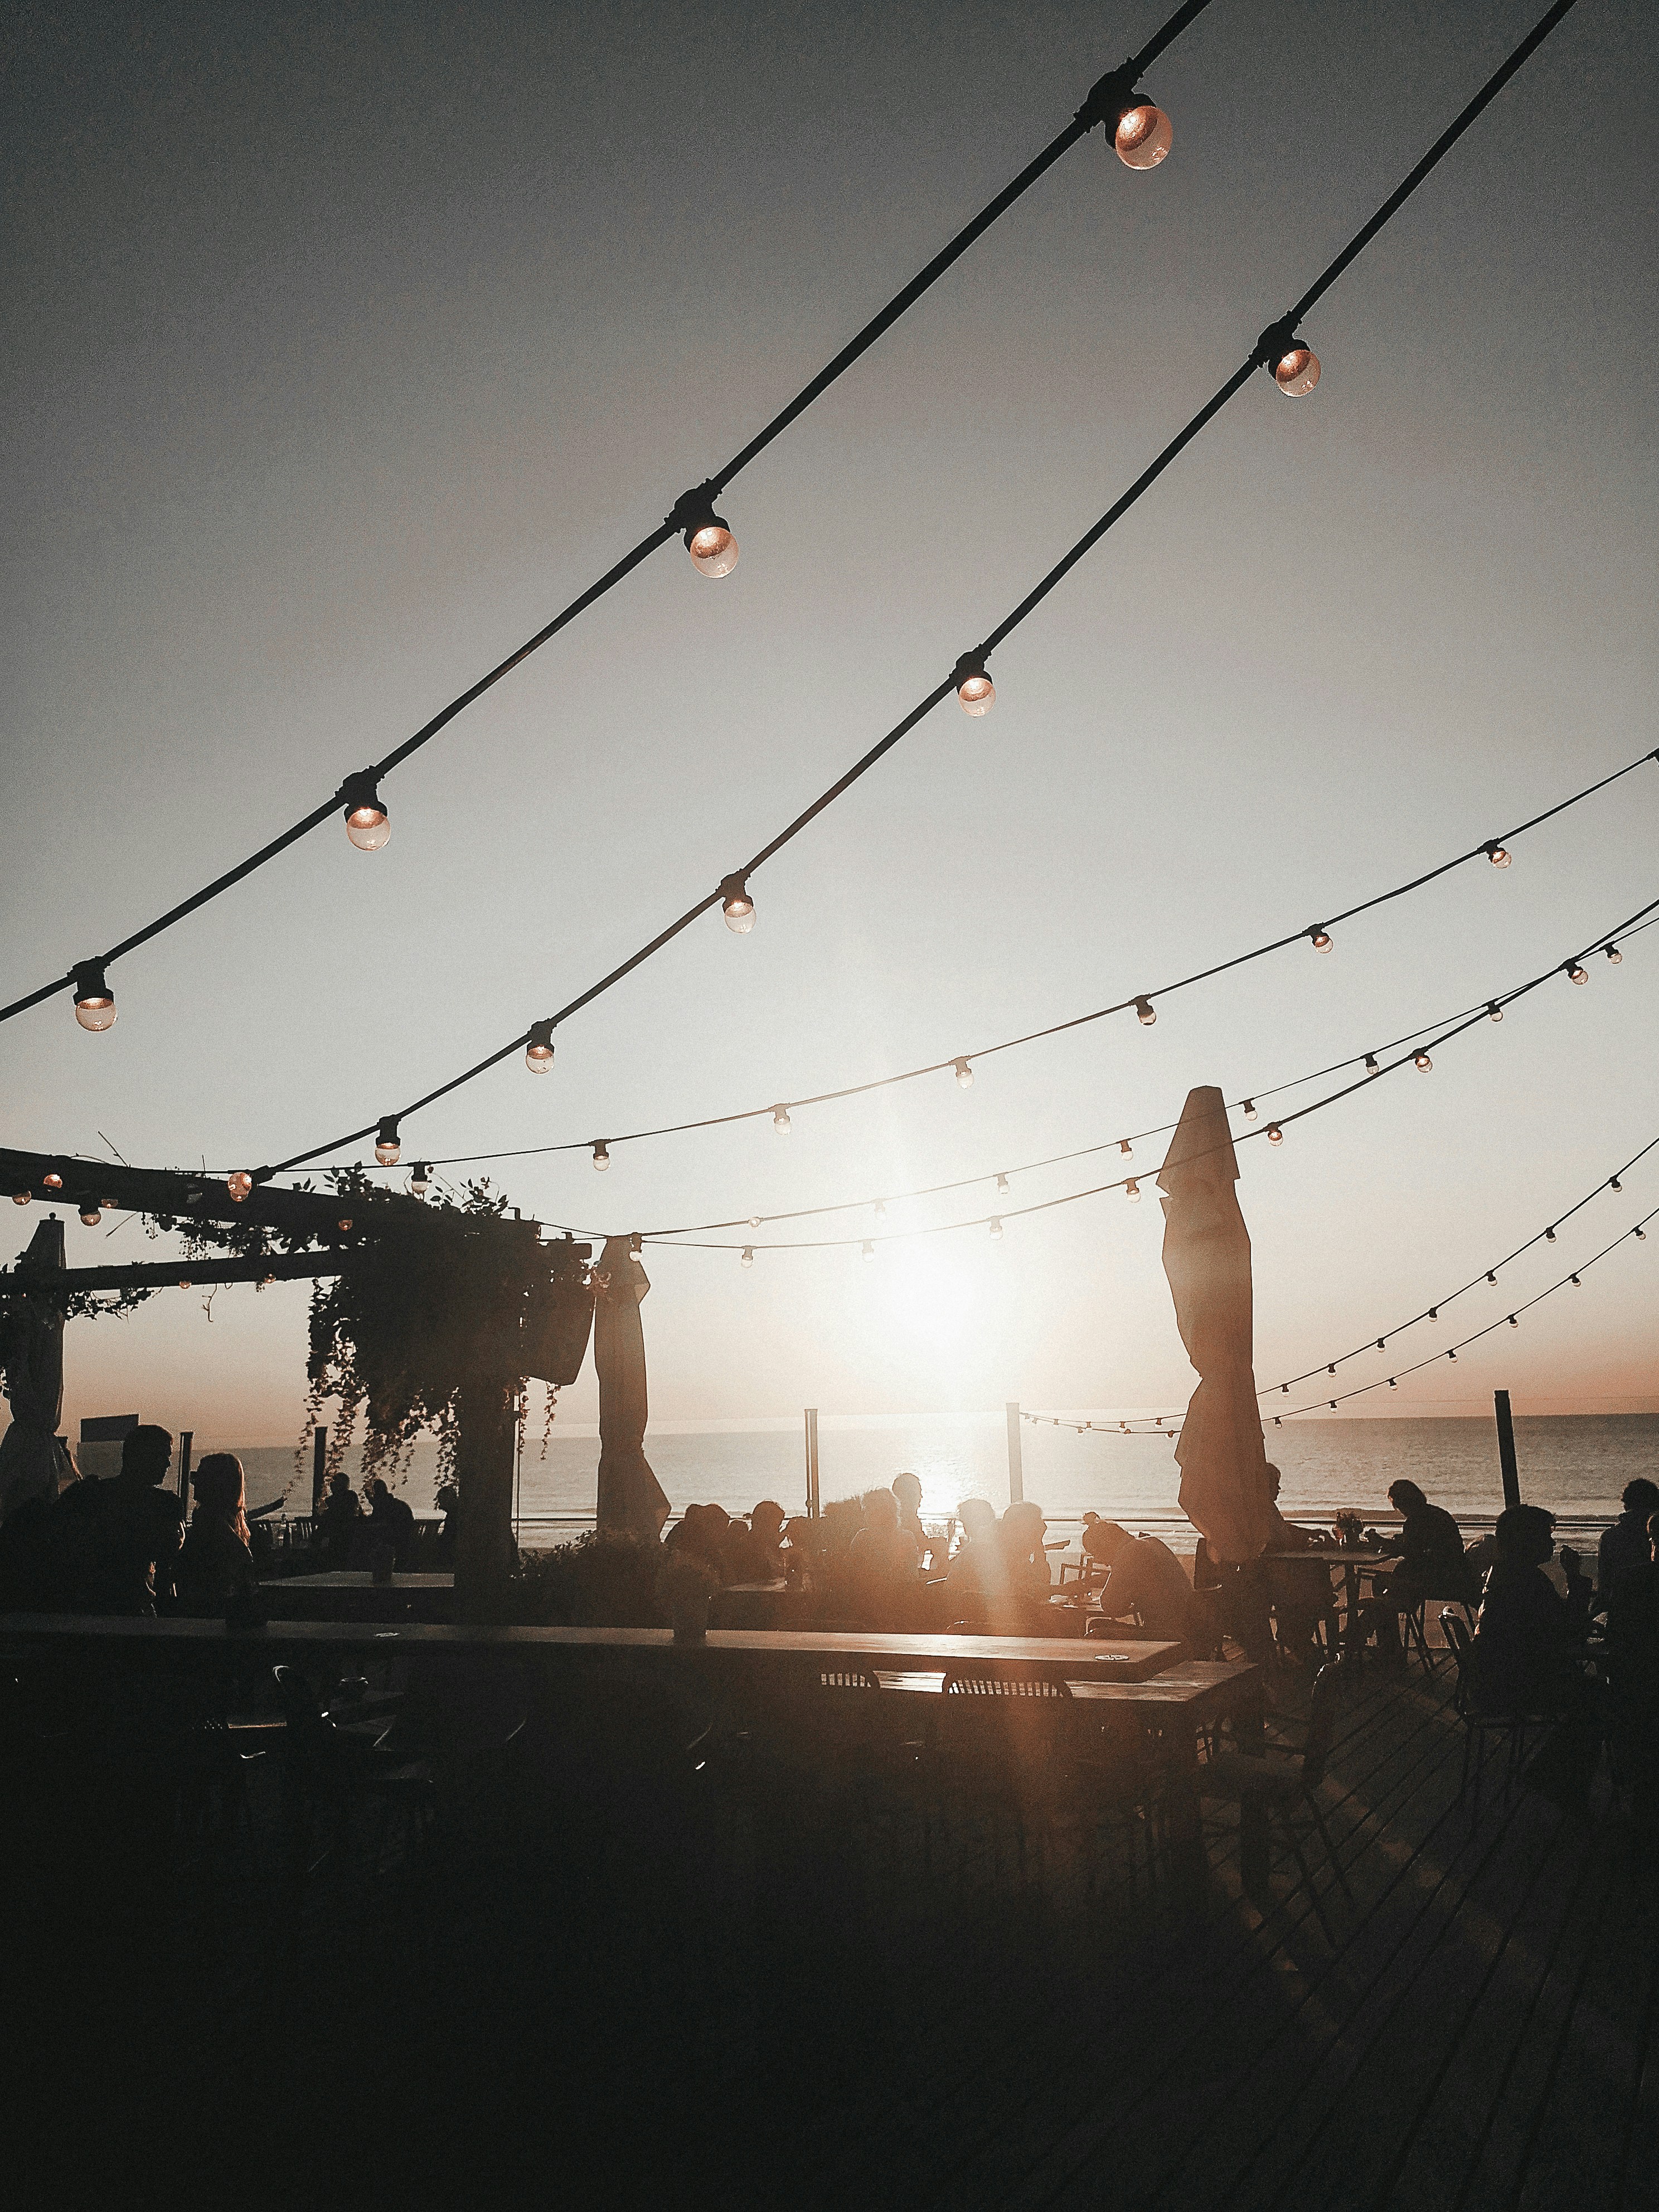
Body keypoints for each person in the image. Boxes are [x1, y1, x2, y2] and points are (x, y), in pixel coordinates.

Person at [1468, 1504, 1597, 1808]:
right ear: (1526, 1541)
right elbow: (1568, 1633)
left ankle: (1552, 1776)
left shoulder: (1502, 1574)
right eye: (1545, 1536)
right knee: (1600, 1697)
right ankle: (1552, 1778)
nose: (1551, 1543)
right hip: (1515, 1686)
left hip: (1495, 1678)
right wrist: (1575, 1578)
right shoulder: (1527, 1582)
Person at [51, 1424, 183, 1614]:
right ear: (144, 1457)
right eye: (163, 1456)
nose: (168, 1464)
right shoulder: (164, 1505)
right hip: (135, 1608)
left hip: (87, 1606)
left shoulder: (89, 1494)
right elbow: (166, 1565)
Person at [1360, 1479, 1477, 1666]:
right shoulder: (1437, 1514)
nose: (1400, 1511)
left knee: (1383, 1585)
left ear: (1405, 1502)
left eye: (1398, 1506)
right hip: (1455, 1576)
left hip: (1436, 1581)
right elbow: (1419, 1549)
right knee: (1389, 1585)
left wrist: (1382, 1542)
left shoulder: (1417, 1521)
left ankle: (1380, 1641)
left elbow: (1411, 1553)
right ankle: (1382, 1639)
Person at [174, 1453, 262, 1619]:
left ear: (215, 1483)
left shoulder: (209, 1518)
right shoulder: (231, 1518)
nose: (194, 1482)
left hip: (206, 1608)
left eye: (200, 1477)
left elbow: (242, 1555)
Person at [1083, 1521, 1199, 1641]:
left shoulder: (1129, 1553)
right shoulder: (1152, 1542)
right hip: (1190, 1628)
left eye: (1096, 1554)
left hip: (1167, 1636)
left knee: (1096, 1632)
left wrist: (1133, 1603)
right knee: (1098, 1625)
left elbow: (1111, 1606)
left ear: (1105, 1546)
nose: (1099, 1560)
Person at [847, 1488, 920, 1623]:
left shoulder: (862, 1538)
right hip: (903, 1609)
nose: (866, 1515)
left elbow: (853, 1576)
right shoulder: (907, 1537)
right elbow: (912, 1577)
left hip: (867, 1608)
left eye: (868, 1510)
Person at [1597, 1478, 1659, 1619]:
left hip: (1622, 1614)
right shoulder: (1654, 1530)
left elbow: (1605, 1588)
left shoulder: (1610, 1537)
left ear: (1626, 1505)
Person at [363, 1478, 416, 1570]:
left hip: (394, 1541)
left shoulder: (384, 1506)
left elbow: (380, 1523)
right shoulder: (396, 1504)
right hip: (405, 1540)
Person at [316, 1473, 360, 1569]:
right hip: (350, 1540)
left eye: (334, 1484)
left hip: (339, 1540)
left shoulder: (335, 1504)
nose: (332, 1486)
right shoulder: (351, 1498)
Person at [746, 1500, 787, 1580]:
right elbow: (769, 1573)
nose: (778, 1531)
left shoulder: (764, 1544)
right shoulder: (749, 1546)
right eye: (776, 1526)